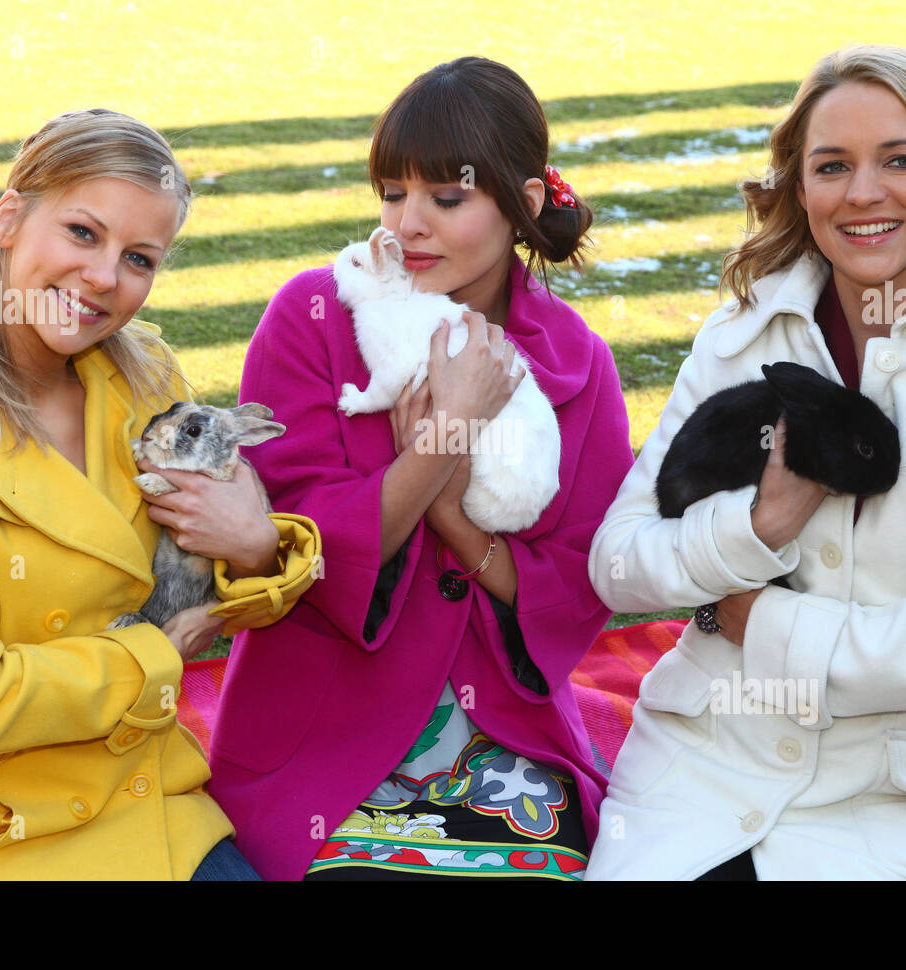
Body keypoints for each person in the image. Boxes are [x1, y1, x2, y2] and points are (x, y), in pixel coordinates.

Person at [584, 45, 906, 880]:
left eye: (900, 159)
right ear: (800, 187)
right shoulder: (740, 335)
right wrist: (755, 530)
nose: (863, 193)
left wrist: (766, 625)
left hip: (893, 800)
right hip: (700, 763)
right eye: (832, 166)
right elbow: (619, 566)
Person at [0, 109, 319, 880]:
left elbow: (207, 578)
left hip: (150, 801)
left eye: (140, 258)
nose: (104, 278)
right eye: (84, 233)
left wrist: (258, 548)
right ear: (10, 216)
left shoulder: (148, 376)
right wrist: (151, 655)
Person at [207, 57, 635, 880]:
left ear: (525, 205)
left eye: (446, 198)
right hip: (320, 724)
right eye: (392, 193)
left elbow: (579, 584)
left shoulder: (577, 361)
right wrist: (445, 441)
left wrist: (443, 504)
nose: (408, 225)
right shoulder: (316, 315)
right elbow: (286, 548)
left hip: (505, 732)